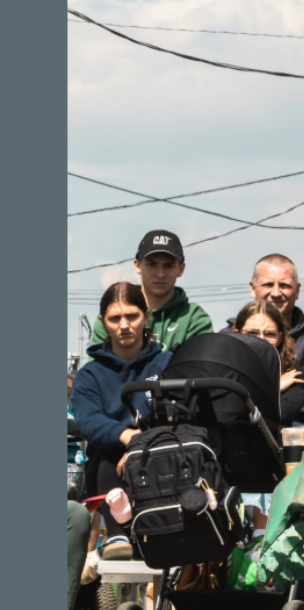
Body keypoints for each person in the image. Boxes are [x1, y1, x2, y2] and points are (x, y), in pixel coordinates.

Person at [72, 283, 173, 559]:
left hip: (162, 462)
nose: (124, 325)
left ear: (146, 316)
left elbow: (181, 414)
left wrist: (142, 446)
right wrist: (128, 438)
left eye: (132, 316)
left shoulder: (168, 364)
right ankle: (116, 535)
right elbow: (88, 420)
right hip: (109, 469)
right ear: (103, 321)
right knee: (107, 451)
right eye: (115, 318)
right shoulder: (90, 375)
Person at [89, 230, 213, 352]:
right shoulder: (114, 314)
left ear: (181, 269)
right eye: (152, 264)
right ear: (138, 265)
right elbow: (96, 369)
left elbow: (200, 369)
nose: (160, 274)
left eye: (168, 266)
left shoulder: (194, 319)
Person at [221, 254, 304, 366]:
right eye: (268, 285)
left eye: (284, 285)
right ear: (253, 288)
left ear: (297, 291)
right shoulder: (228, 337)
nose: (276, 293)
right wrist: (279, 384)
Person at [232, 300, 304, 426]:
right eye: (252, 333)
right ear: (237, 334)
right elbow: (224, 413)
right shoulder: (223, 368)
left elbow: (280, 415)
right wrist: (274, 389)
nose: (261, 340)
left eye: (270, 334)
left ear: (280, 338)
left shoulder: (294, 373)